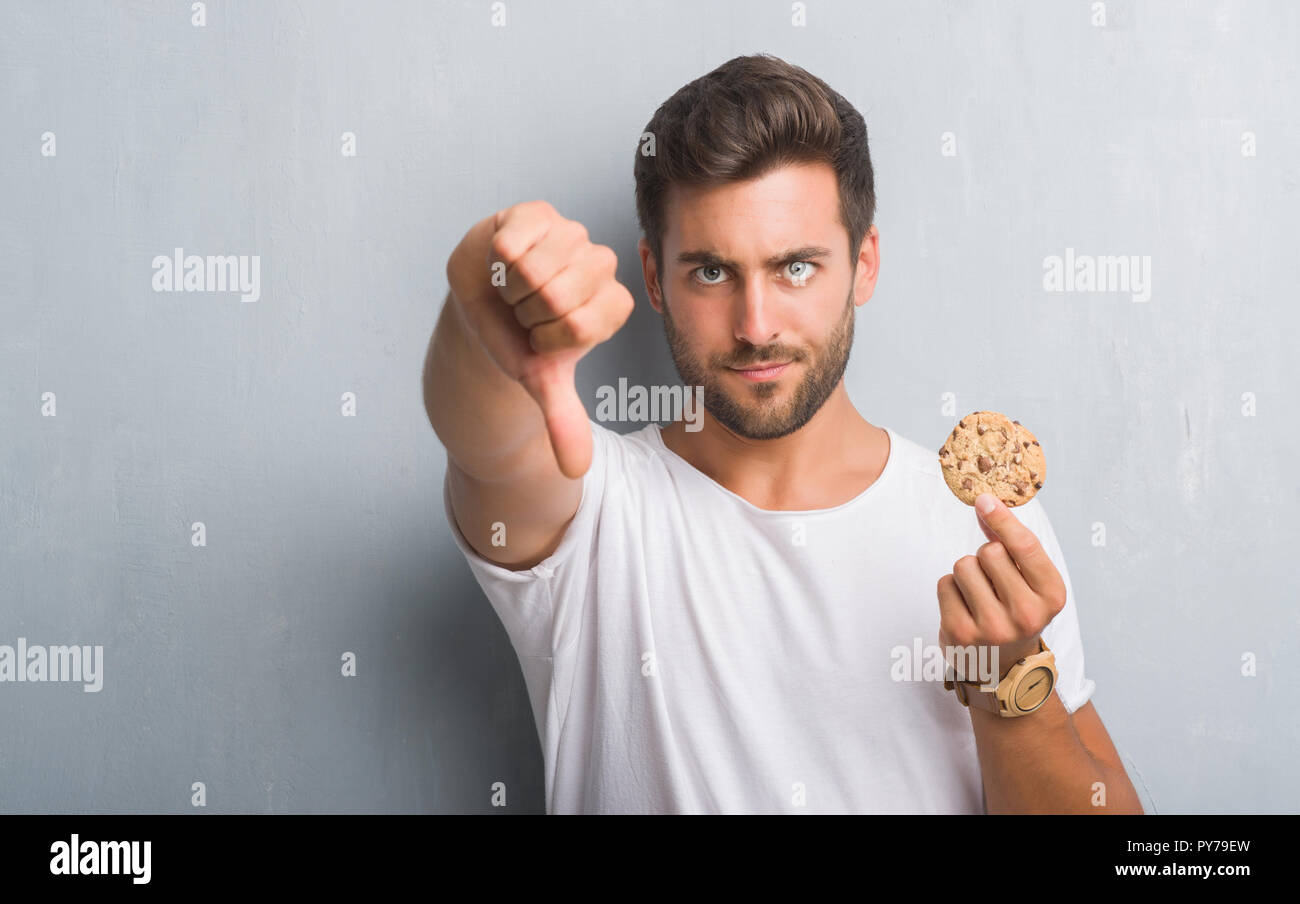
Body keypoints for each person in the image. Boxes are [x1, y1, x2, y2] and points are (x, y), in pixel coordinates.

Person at [423, 53, 1142, 814]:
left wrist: (1009, 686)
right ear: (656, 278)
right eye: (710, 273)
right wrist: (483, 303)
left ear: (863, 265)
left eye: (796, 267)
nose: (755, 325)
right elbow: (484, 434)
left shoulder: (986, 530)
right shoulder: (592, 512)